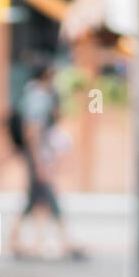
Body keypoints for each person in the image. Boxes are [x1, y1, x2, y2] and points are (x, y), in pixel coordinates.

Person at [7, 59, 86, 260]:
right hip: (38, 156)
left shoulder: (33, 94)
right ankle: (66, 242)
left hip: (37, 155)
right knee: (47, 196)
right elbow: (32, 131)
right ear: (46, 75)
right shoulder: (38, 97)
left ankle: (16, 239)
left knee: (36, 198)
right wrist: (39, 161)